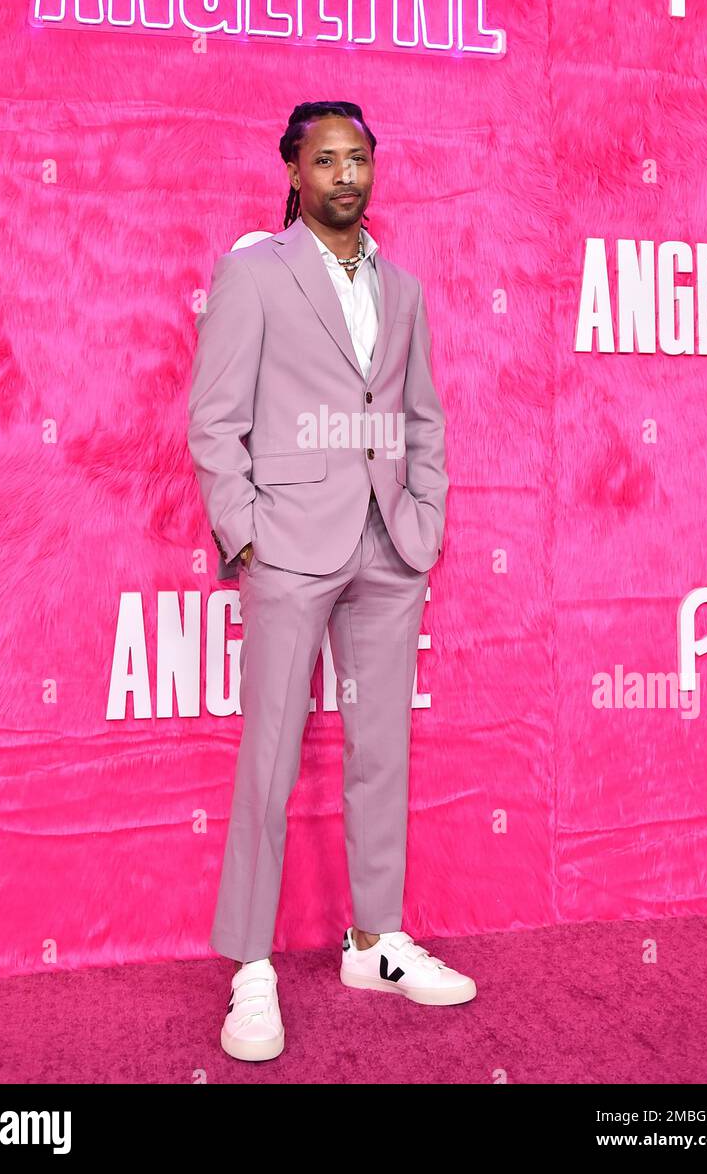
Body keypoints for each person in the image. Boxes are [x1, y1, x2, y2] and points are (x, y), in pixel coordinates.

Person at [187, 99, 475, 1062]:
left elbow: (422, 416)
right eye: (325, 160)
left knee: (381, 750)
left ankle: (374, 941)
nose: (344, 175)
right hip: (288, 545)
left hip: (389, 547)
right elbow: (213, 418)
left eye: (358, 158)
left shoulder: (404, 288)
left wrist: (424, 518)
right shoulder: (253, 273)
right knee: (268, 757)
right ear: (294, 171)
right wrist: (245, 535)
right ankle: (250, 967)